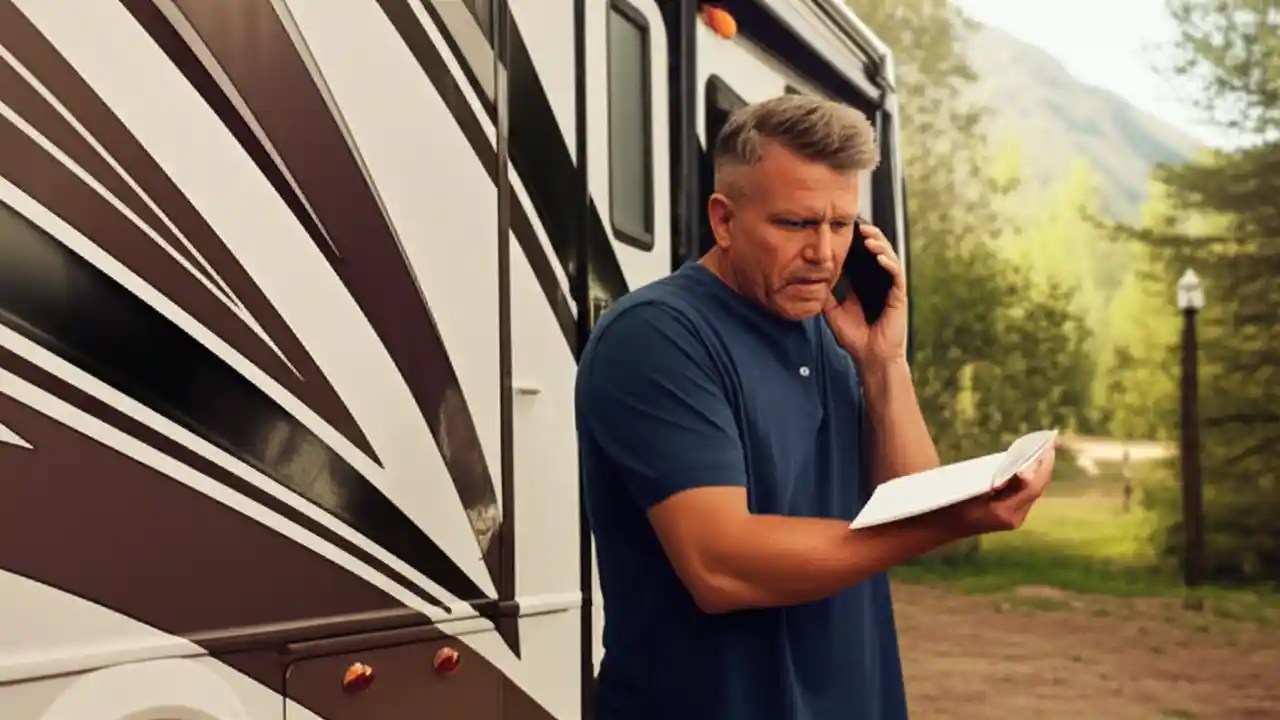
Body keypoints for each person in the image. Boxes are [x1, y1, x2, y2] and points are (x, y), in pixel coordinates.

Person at [575, 94, 1057, 720]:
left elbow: (910, 496)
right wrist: (958, 517)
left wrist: (885, 365)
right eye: (796, 224)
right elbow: (721, 567)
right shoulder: (658, 337)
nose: (825, 254)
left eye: (841, 225)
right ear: (723, 220)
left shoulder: (838, 334)